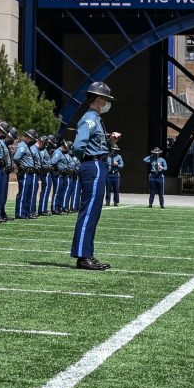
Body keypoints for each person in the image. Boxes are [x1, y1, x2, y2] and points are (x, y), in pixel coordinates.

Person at [70, 82, 114, 270]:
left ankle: (88, 253)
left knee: (93, 213)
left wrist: (110, 142)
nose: (107, 102)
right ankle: (82, 256)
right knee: (88, 212)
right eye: (105, 98)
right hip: (93, 165)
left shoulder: (95, 118)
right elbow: (78, 145)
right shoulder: (89, 119)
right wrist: (88, 159)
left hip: (97, 164)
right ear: (97, 99)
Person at [107, 133, 125, 205]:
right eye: (113, 149)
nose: (114, 150)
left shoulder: (119, 157)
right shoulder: (107, 156)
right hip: (108, 174)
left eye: (115, 149)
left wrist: (117, 165)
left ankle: (116, 202)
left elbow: (122, 165)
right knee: (108, 189)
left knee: (116, 189)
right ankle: (108, 202)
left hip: (115, 174)